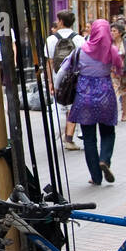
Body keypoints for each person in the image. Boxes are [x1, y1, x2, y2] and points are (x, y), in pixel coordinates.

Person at [59, 20, 123, 185]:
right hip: (106, 97)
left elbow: (62, 71)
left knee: (89, 138)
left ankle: (96, 177)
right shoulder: (111, 50)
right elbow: (120, 69)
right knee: (108, 132)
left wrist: (57, 88)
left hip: (84, 97)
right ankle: (105, 160)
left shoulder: (80, 51)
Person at [45, 11, 85, 150]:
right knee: (74, 106)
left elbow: (49, 62)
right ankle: (69, 138)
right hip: (75, 78)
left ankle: (62, 133)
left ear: (60, 21)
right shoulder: (79, 39)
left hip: (58, 78)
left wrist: (50, 82)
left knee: (60, 105)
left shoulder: (51, 40)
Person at [111, 20, 126, 122]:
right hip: (112, 72)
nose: (112, 33)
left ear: (120, 32)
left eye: (114, 31)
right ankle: (113, 114)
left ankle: (124, 114)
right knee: (112, 93)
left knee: (125, 93)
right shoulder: (109, 43)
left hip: (125, 71)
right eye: (111, 31)